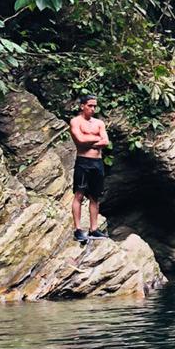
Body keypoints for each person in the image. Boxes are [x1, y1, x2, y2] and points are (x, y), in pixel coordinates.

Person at [69, 94, 109, 242]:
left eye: (94, 106)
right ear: (82, 106)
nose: (93, 108)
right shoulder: (76, 121)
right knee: (79, 194)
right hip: (83, 162)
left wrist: (90, 141)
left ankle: (93, 229)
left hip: (97, 163)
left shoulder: (99, 123)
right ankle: (78, 230)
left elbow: (106, 141)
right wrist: (97, 139)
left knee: (95, 197)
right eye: (90, 105)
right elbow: (80, 140)